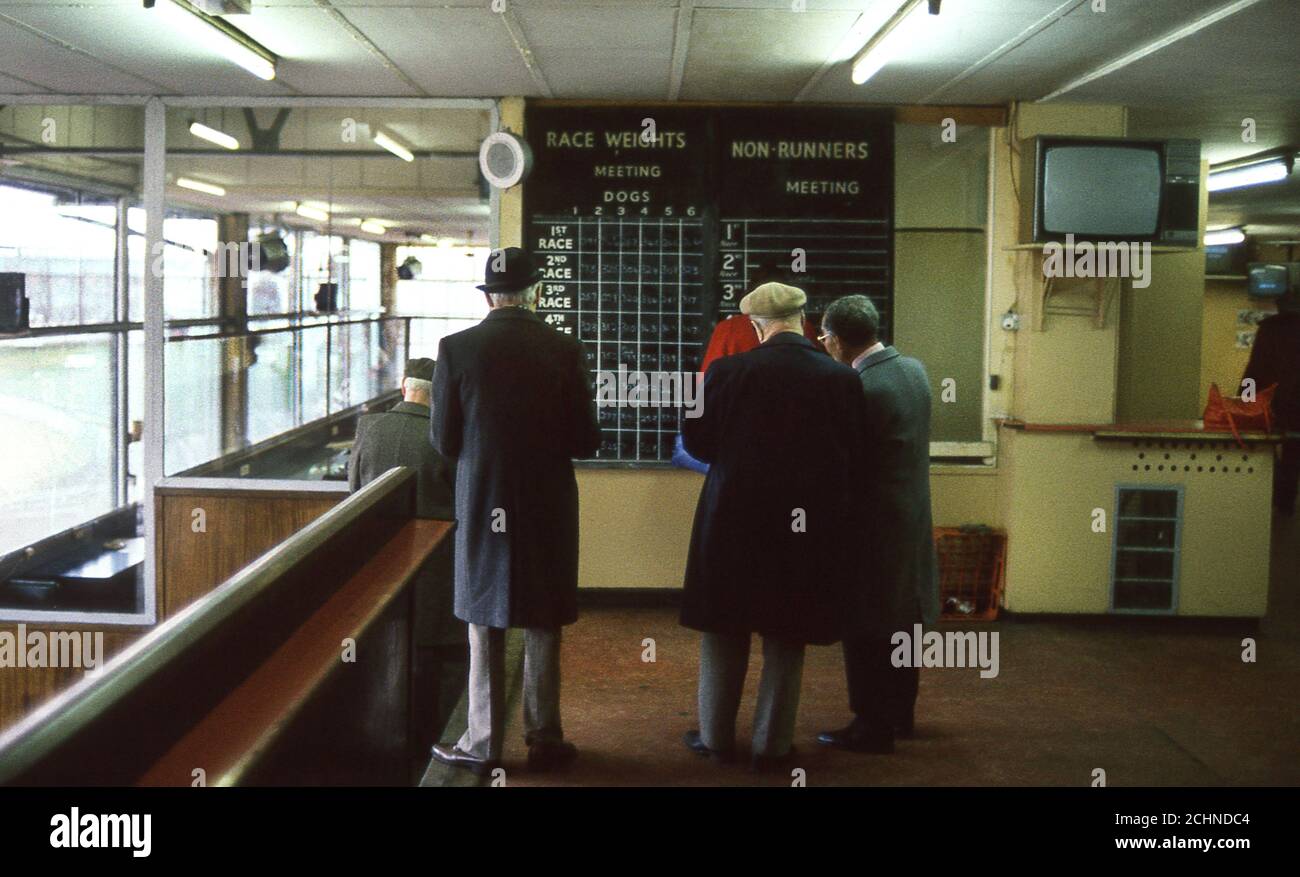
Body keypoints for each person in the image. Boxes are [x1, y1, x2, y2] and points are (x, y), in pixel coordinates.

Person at [679, 281, 869, 771]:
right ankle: (772, 743)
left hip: (733, 520)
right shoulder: (840, 378)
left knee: (725, 628)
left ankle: (716, 737)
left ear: (756, 325)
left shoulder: (726, 371)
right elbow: (853, 454)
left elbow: (696, 442)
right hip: (802, 527)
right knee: (788, 631)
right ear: (805, 319)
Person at [429, 247, 601, 775]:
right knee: (544, 615)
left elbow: (443, 439)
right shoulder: (563, 348)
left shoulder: (456, 348)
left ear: (489, 295)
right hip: (547, 497)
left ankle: (482, 744)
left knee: (483, 617)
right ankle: (545, 737)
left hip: (484, 496)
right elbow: (585, 439)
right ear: (535, 293)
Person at [816, 295, 940, 754]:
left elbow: (848, 463)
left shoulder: (862, 388)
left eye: (825, 338)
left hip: (872, 525)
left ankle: (871, 724)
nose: (824, 345)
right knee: (904, 621)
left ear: (839, 340)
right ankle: (900, 713)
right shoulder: (914, 370)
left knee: (866, 625)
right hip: (911, 514)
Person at [348, 357, 462, 760]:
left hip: (380, 565)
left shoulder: (369, 428)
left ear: (403, 387)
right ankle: (441, 738)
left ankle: (389, 742)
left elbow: (354, 493)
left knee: (392, 651)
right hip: (438, 563)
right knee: (443, 655)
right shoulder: (448, 437)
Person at [1243, 292, 1300, 516]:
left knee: (1265, 446)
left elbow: (1254, 368)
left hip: (1272, 401)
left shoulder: (1269, 329)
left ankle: (1272, 492)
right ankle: (1286, 501)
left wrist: (1246, 399)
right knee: (1294, 452)